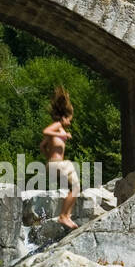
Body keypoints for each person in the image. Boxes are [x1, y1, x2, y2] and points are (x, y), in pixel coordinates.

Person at [40, 86, 79, 230]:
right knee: (75, 188)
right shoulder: (57, 126)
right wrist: (63, 135)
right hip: (58, 164)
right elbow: (45, 131)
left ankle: (67, 216)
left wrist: (49, 159)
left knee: (73, 188)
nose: (70, 122)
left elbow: (42, 146)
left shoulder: (58, 130)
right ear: (64, 117)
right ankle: (63, 216)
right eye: (69, 120)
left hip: (53, 164)